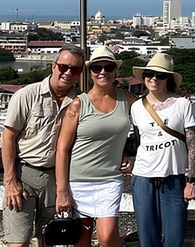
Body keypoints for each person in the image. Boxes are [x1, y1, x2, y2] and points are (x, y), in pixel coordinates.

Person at [2, 44, 85, 247]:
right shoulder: (27, 95)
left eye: (74, 69)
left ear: (80, 73)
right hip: (25, 174)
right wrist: (10, 181)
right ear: (53, 66)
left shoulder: (81, 101)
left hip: (57, 178)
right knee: (18, 240)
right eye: (63, 66)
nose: (67, 72)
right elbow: (8, 138)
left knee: (50, 238)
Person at [55, 46, 135, 247]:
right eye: (97, 68)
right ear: (90, 72)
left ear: (116, 71)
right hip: (78, 181)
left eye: (108, 67)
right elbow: (62, 149)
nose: (103, 72)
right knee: (82, 240)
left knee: (107, 237)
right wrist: (62, 190)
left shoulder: (127, 99)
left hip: (109, 180)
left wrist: (131, 152)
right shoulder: (78, 105)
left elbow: (151, 122)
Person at [130, 52, 195, 247]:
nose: (154, 79)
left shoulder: (183, 105)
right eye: (149, 74)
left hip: (174, 177)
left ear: (168, 79)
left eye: (160, 75)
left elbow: (192, 144)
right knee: (147, 239)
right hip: (143, 177)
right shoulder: (136, 107)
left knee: (174, 238)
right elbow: (137, 141)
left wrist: (191, 181)